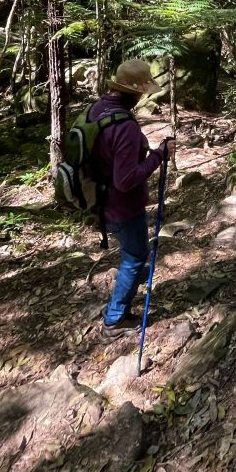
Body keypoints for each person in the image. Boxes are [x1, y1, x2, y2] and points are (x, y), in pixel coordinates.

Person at [90, 59, 175, 339]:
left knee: (133, 253)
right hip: (123, 206)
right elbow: (125, 180)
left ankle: (130, 281)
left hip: (101, 201)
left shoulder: (98, 109)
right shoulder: (124, 125)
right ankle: (114, 318)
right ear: (134, 92)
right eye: (142, 91)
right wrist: (159, 156)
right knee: (135, 256)